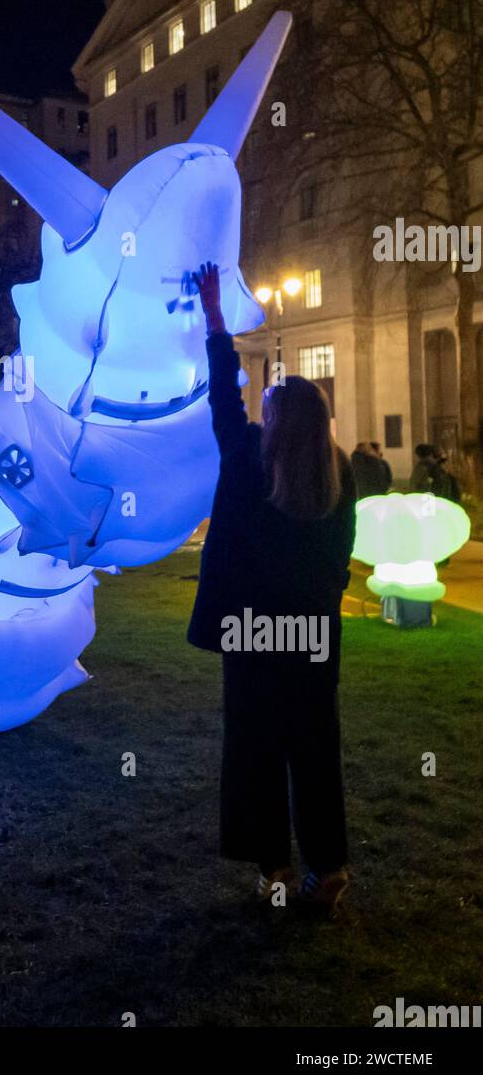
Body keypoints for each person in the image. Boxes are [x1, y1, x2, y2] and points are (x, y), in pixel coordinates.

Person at [187, 262, 356, 913]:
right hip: (312, 640)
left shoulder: (249, 458)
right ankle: (329, 867)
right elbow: (340, 562)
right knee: (315, 753)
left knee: (256, 752)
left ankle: (276, 870)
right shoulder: (338, 475)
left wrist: (215, 319)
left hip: (255, 639)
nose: (259, 406)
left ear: (277, 422)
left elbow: (223, 397)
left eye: (269, 403)